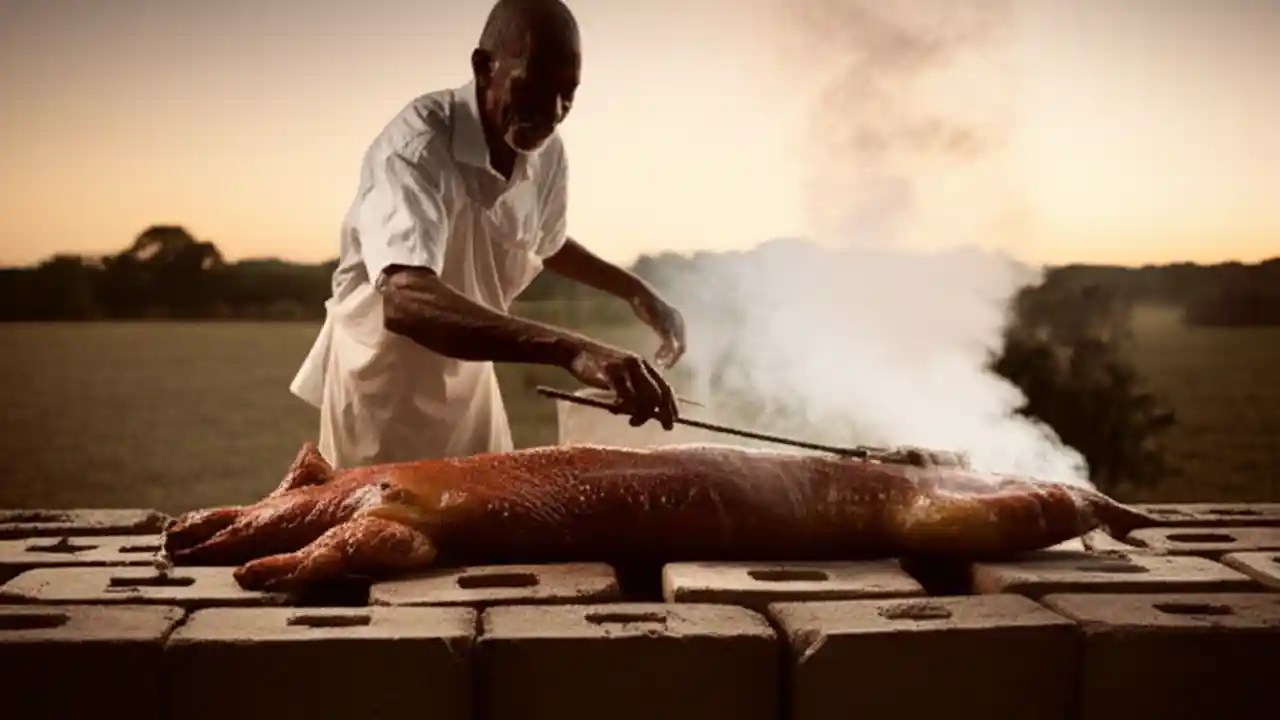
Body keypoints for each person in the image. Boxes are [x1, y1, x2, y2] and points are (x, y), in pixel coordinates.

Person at [290, 0, 686, 468]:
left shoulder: (547, 153)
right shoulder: (415, 148)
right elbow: (406, 300)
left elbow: (544, 240)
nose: (553, 111)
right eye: (535, 87)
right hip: (385, 385)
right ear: (484, 67)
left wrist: (636, 291)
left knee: (494, 524)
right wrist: (572, 349)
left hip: (471, 375)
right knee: (394, 530)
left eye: (568, 93)